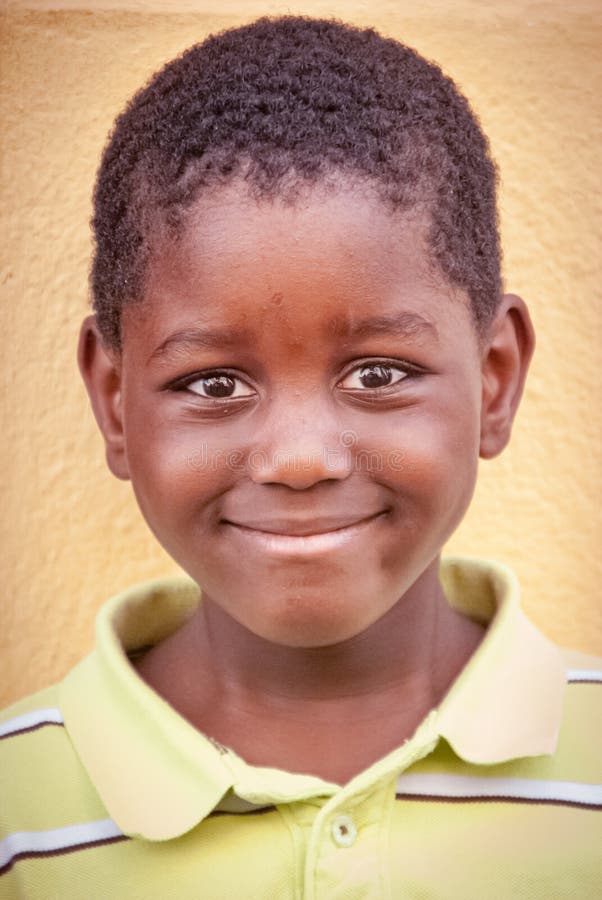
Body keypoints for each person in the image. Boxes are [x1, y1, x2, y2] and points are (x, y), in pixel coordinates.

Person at [1, 15, 600, 899]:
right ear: (114, 402)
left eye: (379, 372)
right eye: (212, 384)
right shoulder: (22, 815)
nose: (300, 459)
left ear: (495, 379)